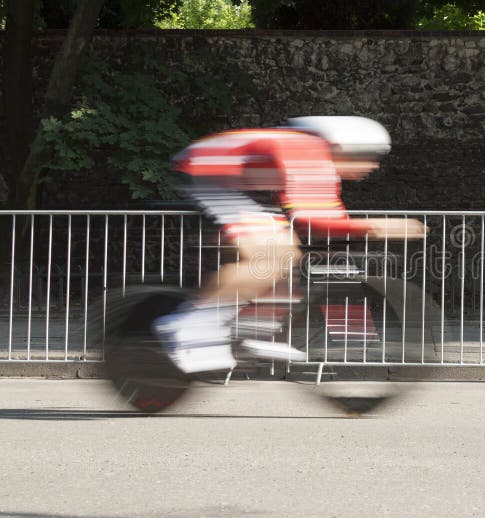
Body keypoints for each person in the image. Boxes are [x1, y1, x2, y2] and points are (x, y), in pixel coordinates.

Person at [154, 116, 425, 374]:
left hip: (235, 183)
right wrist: (374, 226)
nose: (374, 166)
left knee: (287, 252)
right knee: (268, 254)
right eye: (370, 157)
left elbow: (328, 218)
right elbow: (313, 221)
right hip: (207, 174)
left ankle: (253, 329)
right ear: (343, 149)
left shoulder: (319, 162)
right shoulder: (307, 151)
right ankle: (190, 326)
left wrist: (368, 228)